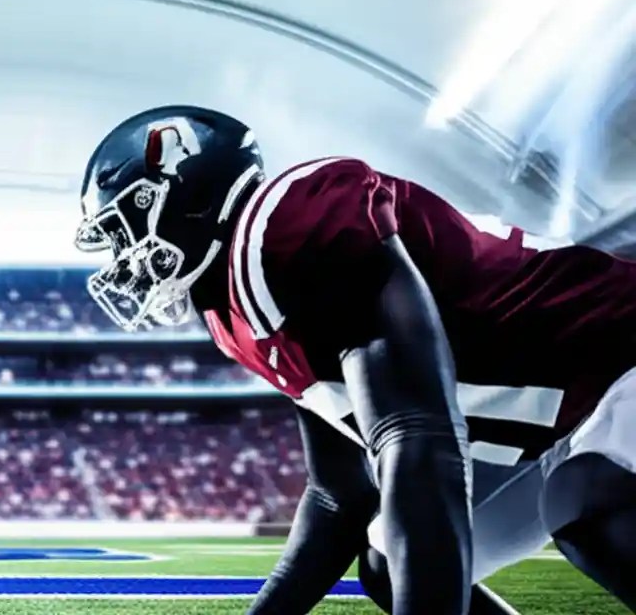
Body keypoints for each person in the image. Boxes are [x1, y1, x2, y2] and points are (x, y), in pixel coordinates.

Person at [74, 104, 636, 614]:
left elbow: (418, 435)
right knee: (387, 563)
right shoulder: (233, 313)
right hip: (559, 415)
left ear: (187, 194)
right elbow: (340, 494)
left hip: (618, 346)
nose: (125, 261)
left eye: (126, 228)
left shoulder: (290, 221)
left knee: (586, 503)